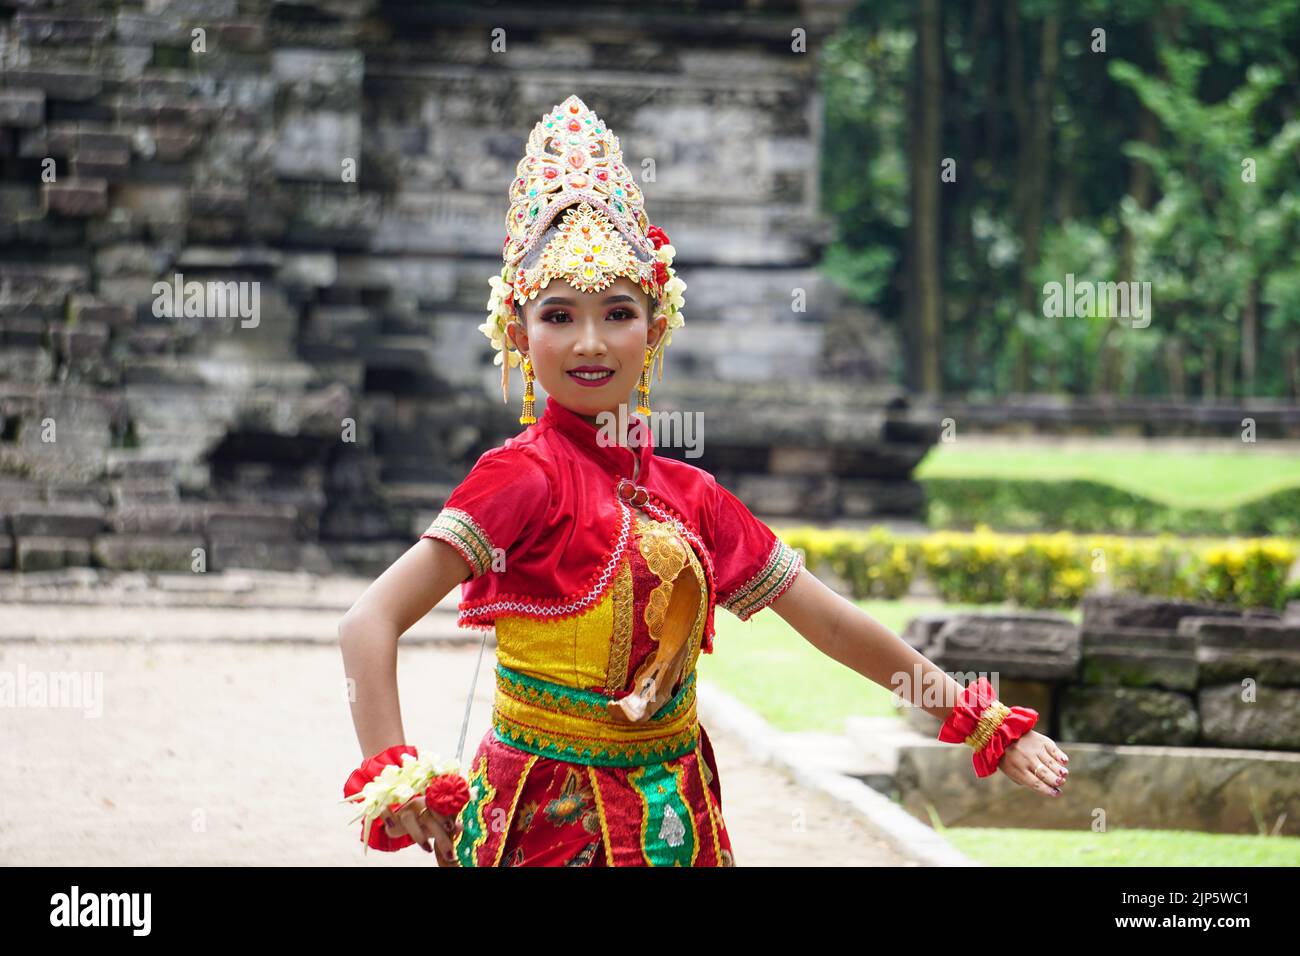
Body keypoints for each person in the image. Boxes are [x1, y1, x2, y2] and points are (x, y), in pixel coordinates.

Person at [338, 95, 1069, 867]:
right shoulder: (520, 479)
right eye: (559, 316)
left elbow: (831, 626)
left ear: (655, 330)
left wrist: (978, 721)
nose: (590, 341)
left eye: (617, 312)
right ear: (518, 335)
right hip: (540, 824)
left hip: (672, 820)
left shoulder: (694, 499)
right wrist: (400, 778)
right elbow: (368, 622)